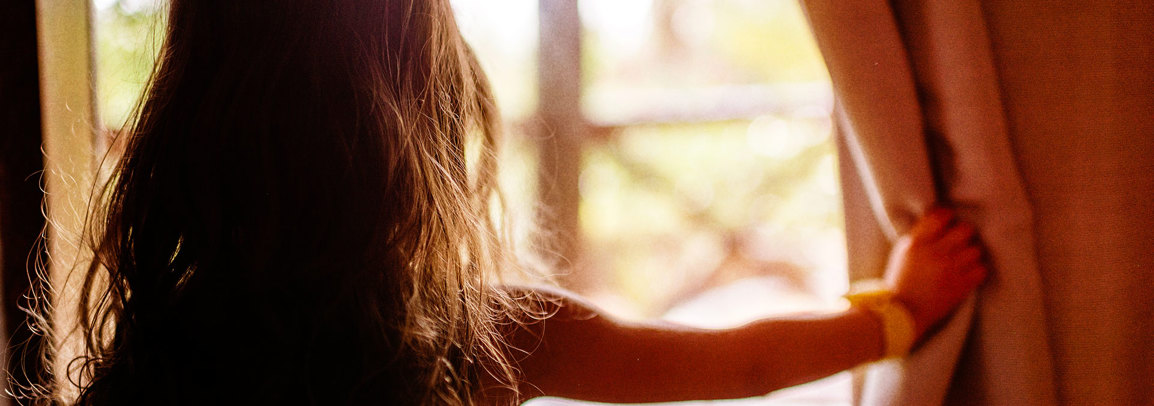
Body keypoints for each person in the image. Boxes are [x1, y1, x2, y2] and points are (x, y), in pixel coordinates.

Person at [40, 0, 987, 405]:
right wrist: (899, 312)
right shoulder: (482, 337)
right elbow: (741, 364)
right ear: (429, 126)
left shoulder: (157, 361)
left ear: (185, 131)